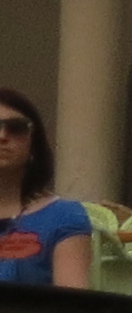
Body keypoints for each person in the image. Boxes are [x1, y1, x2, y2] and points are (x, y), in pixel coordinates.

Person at [0, 88, 93, 288]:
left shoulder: (63, 217)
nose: (3, 136)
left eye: (16, 128)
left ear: (34, 143)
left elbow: (72, 304)